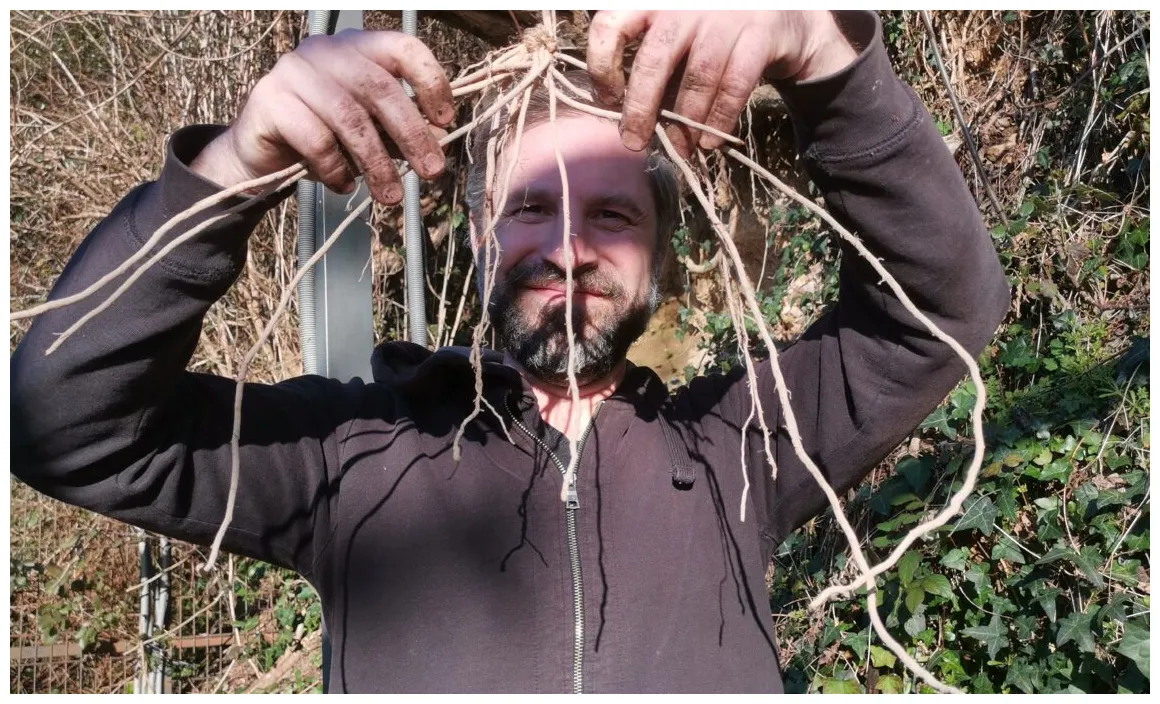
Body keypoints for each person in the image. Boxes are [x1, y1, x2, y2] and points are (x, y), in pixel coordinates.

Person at [11, 10, 1009, 693]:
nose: (568, 247)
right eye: (531, 205)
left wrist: (824, 54)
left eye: (611, 214)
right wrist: (234, 171)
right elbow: (63, 423)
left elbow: (936, 308)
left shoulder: (739, 445)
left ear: (661, 256)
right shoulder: (345, 448)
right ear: (484, 230)